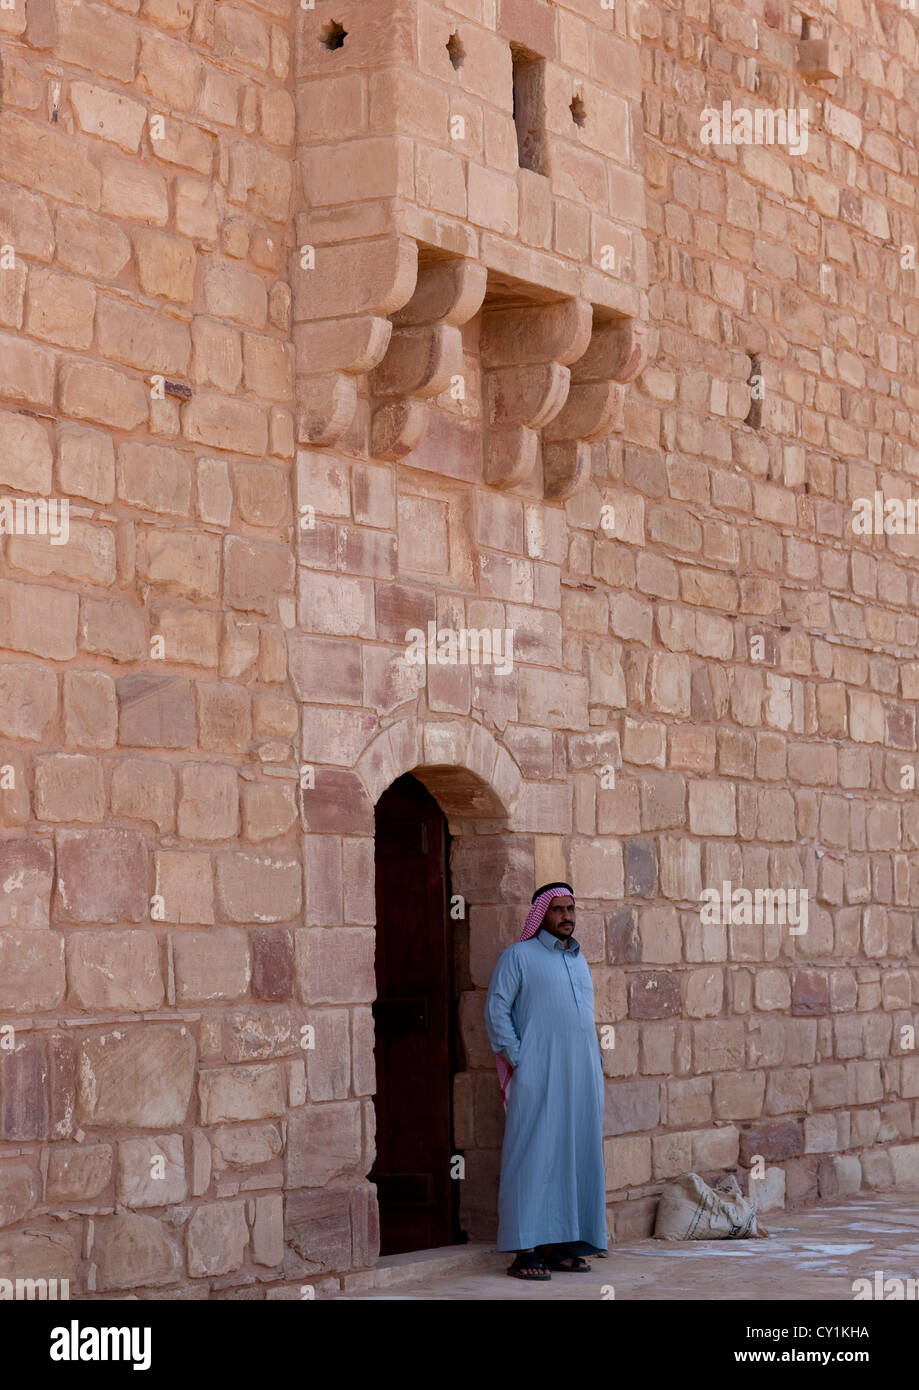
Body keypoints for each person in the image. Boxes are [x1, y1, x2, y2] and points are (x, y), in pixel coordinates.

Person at [484, 881, 608, 1281]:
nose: (567, 916)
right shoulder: (518, 956)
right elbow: (497, 1010)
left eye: (571, 909)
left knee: (577, 1153)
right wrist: (522, 1058)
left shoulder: (579, 960)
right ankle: (526, 1250)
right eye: (558, 909)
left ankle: (564, 1244)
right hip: (539, 1072)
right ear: (542, 914)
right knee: (533, 1154)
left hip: (583, 1075)